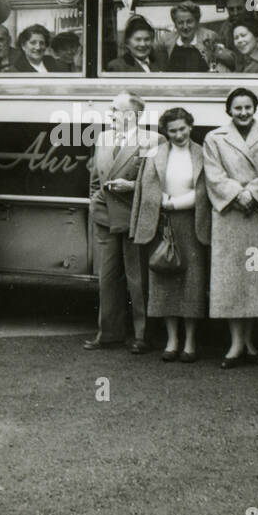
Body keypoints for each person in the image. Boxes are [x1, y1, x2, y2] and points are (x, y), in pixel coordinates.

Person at [203, 87, 258, 368]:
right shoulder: (214, 138)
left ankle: (248, 341)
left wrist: (254, 194)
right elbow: (213, 175)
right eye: (237, 108)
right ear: (229, 110)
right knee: (232, 280)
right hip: (231, 216)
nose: (243, 113)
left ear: (255, 108)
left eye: (248, 107)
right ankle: (236, 342)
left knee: (253, 279)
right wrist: (238, 194)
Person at [82, 92, 165, 352]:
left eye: (116, 110)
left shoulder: (153, 140)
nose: (111, 114)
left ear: (134, 115)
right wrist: (95, 203)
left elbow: (156, 182)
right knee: (106, 279)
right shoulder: (103, 138)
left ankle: (143, 335)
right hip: (106, 218)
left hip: (135, 217)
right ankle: (108, 333)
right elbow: (95, 179)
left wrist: (131, 185)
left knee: (137, 279)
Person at [129, 107, 210, 362]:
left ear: (190, 127)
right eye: (172, 130)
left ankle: (190, 342)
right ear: (165, 131)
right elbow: (146, 189)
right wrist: (163, 202)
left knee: (191, 284)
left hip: (191, 223)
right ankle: (171, 340)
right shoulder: (155, 154)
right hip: (162, 224)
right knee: (164, 282)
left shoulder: (203, 153)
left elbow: (206, 191)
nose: (178, 135)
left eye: (182, 129)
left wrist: (175, 203)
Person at [159, 1, 219, 72]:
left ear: (197, 22)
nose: (185, 27)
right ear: (175, 24)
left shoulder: (209, 37)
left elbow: (226, 62)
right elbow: (162, 69)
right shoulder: (166, 40)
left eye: (189, 22)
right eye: (180, 23)